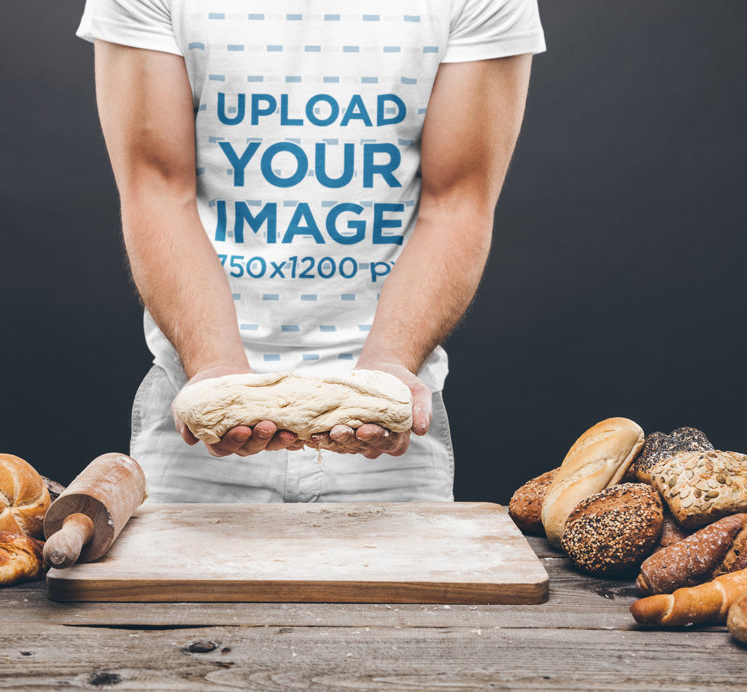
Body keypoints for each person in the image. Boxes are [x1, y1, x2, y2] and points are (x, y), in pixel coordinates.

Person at [77, 1, 545, 503]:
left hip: (390, 428)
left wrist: (387, 365)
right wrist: (215, 367)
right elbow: (156, 191)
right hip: (196, 417)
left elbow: (456, 203)